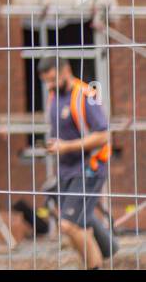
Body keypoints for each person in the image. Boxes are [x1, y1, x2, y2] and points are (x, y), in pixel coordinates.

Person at [39, 57, 112, 269]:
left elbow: (103, 136)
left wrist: (66, 146)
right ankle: (99, 260)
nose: (50, 85)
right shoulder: (54, 96)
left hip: (89, 168)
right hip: (66, 170)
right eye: (46, 82)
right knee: (81, 226)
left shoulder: (86, 95)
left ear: (66, 70)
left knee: (69, 225)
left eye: (52, 79)